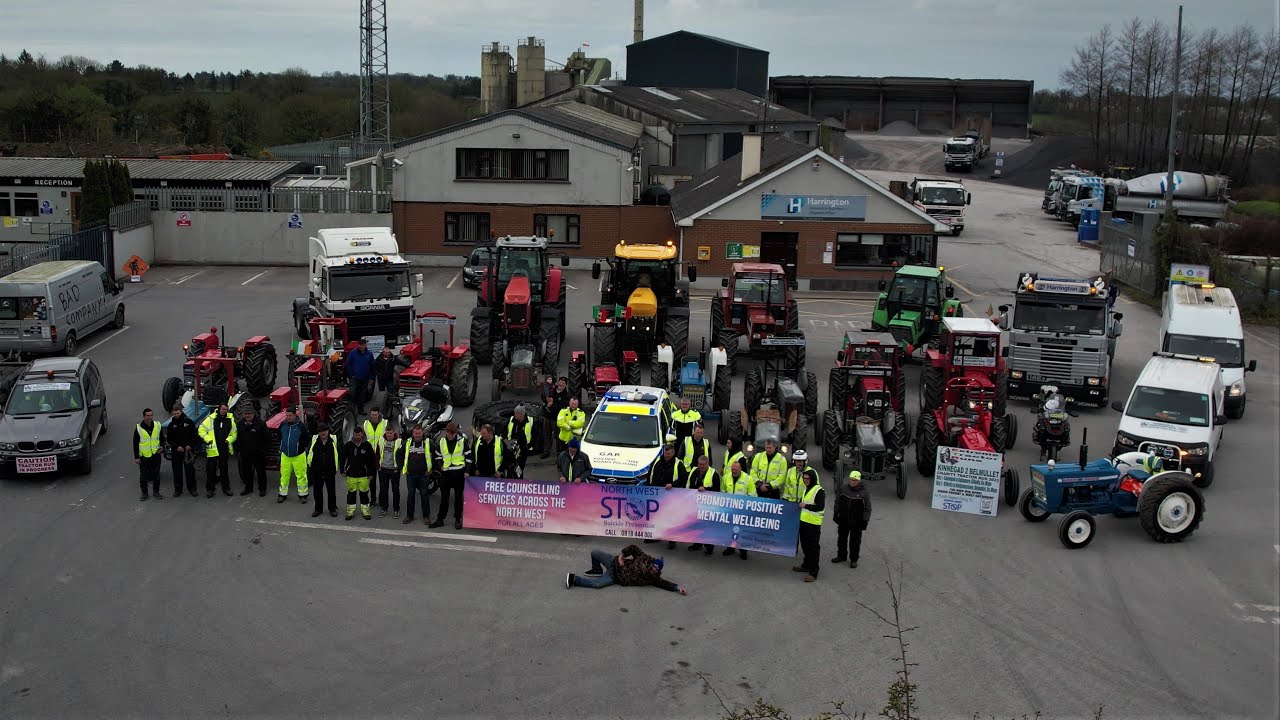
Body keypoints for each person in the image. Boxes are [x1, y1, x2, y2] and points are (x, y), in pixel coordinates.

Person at [565, 545, 688, 594]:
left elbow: (665, 583)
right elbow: (633, 548)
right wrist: (622, 557)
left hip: (615, 577)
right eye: (654, 567)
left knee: (597, 585)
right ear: (652, 564)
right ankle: (597, 570)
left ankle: (574, 579)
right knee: (595, 552)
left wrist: (678, 588)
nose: (654, 570)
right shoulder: (644, 557)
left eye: (657, 569)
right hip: (613, 562)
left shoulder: (653, 578)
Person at [644, 437, 683, 548]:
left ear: (673, 453)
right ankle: (655, 537)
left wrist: (673, 485)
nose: (667, 455)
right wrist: (648, 489)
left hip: (670, 496)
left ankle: (671, 540)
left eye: (669, 454)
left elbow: (683, 479)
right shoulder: (657, 461)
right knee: (655, 517)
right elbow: (649, 476)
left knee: (670, 518)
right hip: (656, 495)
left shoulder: (678, 464)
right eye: (666, 453)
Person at [432, 421, 469, 530]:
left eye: (452, 433)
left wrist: (467, 471)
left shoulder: (462, 442)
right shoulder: (442, 441)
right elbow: (438, 456)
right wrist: (440, 467)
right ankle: (440, 519)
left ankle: (458, 519)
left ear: (456, 432)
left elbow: (469, 457)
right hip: (446, 474)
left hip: (458, 474)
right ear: (446, 432)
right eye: (448, 433)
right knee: (444, 498)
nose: (450, 435)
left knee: (458, 498)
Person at [833, 469, 872, 568]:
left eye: (854, 480)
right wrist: (836, 513)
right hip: (844, 519)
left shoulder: (864, 493)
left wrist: (865, 521)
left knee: (855, 541)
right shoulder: (843, 488)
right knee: (841, 539)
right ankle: (841, 556)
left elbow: (868, 508)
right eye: (851, 480)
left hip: (857, 522)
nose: (852, 482)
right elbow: (837, 501)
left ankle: (854, 559)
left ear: (859, 481)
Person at [720, 459, 757, 559]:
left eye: (736, 469)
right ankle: (730, 548)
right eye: (732, 469)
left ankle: (743, 550)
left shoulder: (748, 479)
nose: (734, 471)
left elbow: (753, 496)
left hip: (742, 511)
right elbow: (722, 492)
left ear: (741, 468)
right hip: (729, 510)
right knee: (729, 530)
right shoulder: (726, 477)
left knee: (742, 531)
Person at [793, 469, 825, 582]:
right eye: (804, 478)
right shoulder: (806, 489)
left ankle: (814, 571)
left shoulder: (819, 491)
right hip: (804, 522)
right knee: (805, 545)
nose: (805, 480)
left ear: (812, 479)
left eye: (807, 479)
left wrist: (805, 506)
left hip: (813, 524)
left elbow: (820, 507)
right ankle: (806, 565)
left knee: (813, 548)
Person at [199, 403, 237, 498]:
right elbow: (201, 430)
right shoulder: (211, 419)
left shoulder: (230, 421)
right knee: (211, 470)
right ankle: (210, 490)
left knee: (224, 470)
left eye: (226, 409)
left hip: (223, 449)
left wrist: (228, 441)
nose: (224, 411)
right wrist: (208, 439)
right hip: (212, 450)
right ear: (219, 409)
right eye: (223, 409)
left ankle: (226, 488)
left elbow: (234, 434)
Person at [342, 427, 378, 520]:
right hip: (351, 475)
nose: (357, 436)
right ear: (353, 434)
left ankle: (365, 511)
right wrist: (343, 471)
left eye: (359, 435)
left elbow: (372, 461)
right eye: (355, 435)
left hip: (364, 475)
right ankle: (350, 512)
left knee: (364, 494)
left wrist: (371, 473)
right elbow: (342, 458)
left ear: (362, 434)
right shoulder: (348, 445)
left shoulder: (367, 445)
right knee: (351, 494)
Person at [684, 455, 718, 555]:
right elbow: (689, 485)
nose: (701, 466)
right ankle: (697, 544)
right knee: (696, 525)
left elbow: (717, 489)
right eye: (699, 464)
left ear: (708, 464)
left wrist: (706, 489)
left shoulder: (713, 474)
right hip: (695, 504)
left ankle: (709, 548)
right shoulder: (694, 471)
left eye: (703, 464)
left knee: (707, 528)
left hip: (708, 506)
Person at [400, 425, 433, 525]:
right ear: (412, 433)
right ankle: (409, 516)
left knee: (424, 495)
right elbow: (398, 454)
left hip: (423, 475)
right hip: (411, 475)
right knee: (410, 495)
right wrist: (402, 467)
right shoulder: (407, 442)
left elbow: (436, 453)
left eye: (419, 433)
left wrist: (432, 468)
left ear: (422, 433)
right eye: (416, 433)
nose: (417, 435)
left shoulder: (428, 442)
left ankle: (426, 516)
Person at [277, 406, 311, 504]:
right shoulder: (283, 425)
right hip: (285, 455)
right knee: (284, 476)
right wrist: (283, 446)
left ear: (294, 415)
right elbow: (279, 436)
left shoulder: (301, 426)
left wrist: (300, 448)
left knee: (301, 476)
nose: (288, 417)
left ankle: (303, 495)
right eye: (287, 415)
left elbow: (306, 438)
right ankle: (282, 494)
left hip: (298, 456)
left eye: (290, 415)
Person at [307, 422, 341, 518]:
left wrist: (339, 468)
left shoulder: (334, 440)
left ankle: (332, 509)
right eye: (321, 431)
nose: (323, 433)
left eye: (325, 431)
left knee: (331, 491)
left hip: (329, 470)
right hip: (316, 471)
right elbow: (309, 452)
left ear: (328, 431)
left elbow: (340, 453)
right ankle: (318, 509)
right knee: (317, 491)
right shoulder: (314, 440)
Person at [236, 405, 270, 497]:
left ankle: (262, 489)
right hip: (245, 453)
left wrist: (263, 450)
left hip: (258, 454)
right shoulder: (240, 424)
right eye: (245, 414)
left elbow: (267, 438)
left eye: (249, 414)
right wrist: (239, 449)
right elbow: (238, 437)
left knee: (261, 472)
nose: (247, 415)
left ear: (253, 414)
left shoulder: (261, 424)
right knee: (246, 472)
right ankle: (248, 488)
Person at [165, 404, 198, 498]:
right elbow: (169, 439)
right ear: (172, 413)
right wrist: (176, 447)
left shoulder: (189, 422)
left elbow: (194, 435)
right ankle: (178, 490)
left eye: (178, 413)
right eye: (174, 414)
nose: (176, 415)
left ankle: (192, 489)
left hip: (188, 451)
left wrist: (190, 445)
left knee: (190, 471)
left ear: (181, 412)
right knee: (177, 471)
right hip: (177, 452)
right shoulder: (171, 425)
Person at [134, 408, 163, 501]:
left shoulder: (158, 425)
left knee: (156, 475)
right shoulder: (139, 428)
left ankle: (156, 492)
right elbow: (135, 443)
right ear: (144, 416)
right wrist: (136, 457)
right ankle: (144, 493)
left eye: (151, 415)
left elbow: (161, 437)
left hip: (156, 454)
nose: (149, 417)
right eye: (148, 415)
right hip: (144, 456)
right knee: (143, 476)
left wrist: (162, 446)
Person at [362, 407, 389, 506]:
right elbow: (363, 438)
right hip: (370, 457)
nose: (374, 416)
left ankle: (382, 500)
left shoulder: (385, 423)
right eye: (372, 414)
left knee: (382, 481)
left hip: (381, 455)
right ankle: (373, 499)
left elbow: (389, 437)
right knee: (372, 481)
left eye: (375, 414)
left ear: (379, 414)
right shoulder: (365, 424)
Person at [376, 425, 403, 518]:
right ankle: (384, 508)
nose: (389, 435)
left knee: (395, 491)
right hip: (383, 470)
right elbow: (377, 453)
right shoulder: (381, 440)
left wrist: (398, 468)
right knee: (384, 490)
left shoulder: (399, 441)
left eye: (390, 433)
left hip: (394, 470)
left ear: (394, 432)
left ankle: (396, 509)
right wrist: (378, 466)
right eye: (387, 433)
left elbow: (402, 456)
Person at [503, 404, 536, 479]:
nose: (515, 415)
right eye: (515, 413)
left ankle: (519, 481)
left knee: (519, 469)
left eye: (517, 413)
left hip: (523, 450)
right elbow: (504, 430)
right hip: (511, 448)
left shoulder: (530, 421)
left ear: (522, 414)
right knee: (510, 467)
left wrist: (531, 446)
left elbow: (535, 435)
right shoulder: (511, 420)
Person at [344, 338, 375, 414]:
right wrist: (351, 375)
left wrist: (371, 377)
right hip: (355, 378)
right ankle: (352, 410)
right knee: (353, 393)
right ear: (358, 345)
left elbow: (372, 366)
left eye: (363, 345)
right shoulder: (353, 353)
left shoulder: (369, 354)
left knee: (362, 394)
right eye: (361, 345)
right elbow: (348, 364)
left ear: (366, 345)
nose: (362, 346)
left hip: (365, 378)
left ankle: (360, 409)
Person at [543, 376, 570, 458]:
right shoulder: (552, 392)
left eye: (563, 383)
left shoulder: (567, 395)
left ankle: (559, 453)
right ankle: (546, 451)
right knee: (546, 435)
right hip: (548, 417)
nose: (561, 384)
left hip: (557, 419)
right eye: (560, 382)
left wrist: (552, 405)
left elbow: (564, 407)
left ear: (565, 385)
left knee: (558, 437)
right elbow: (544, 397)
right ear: (557, 382)